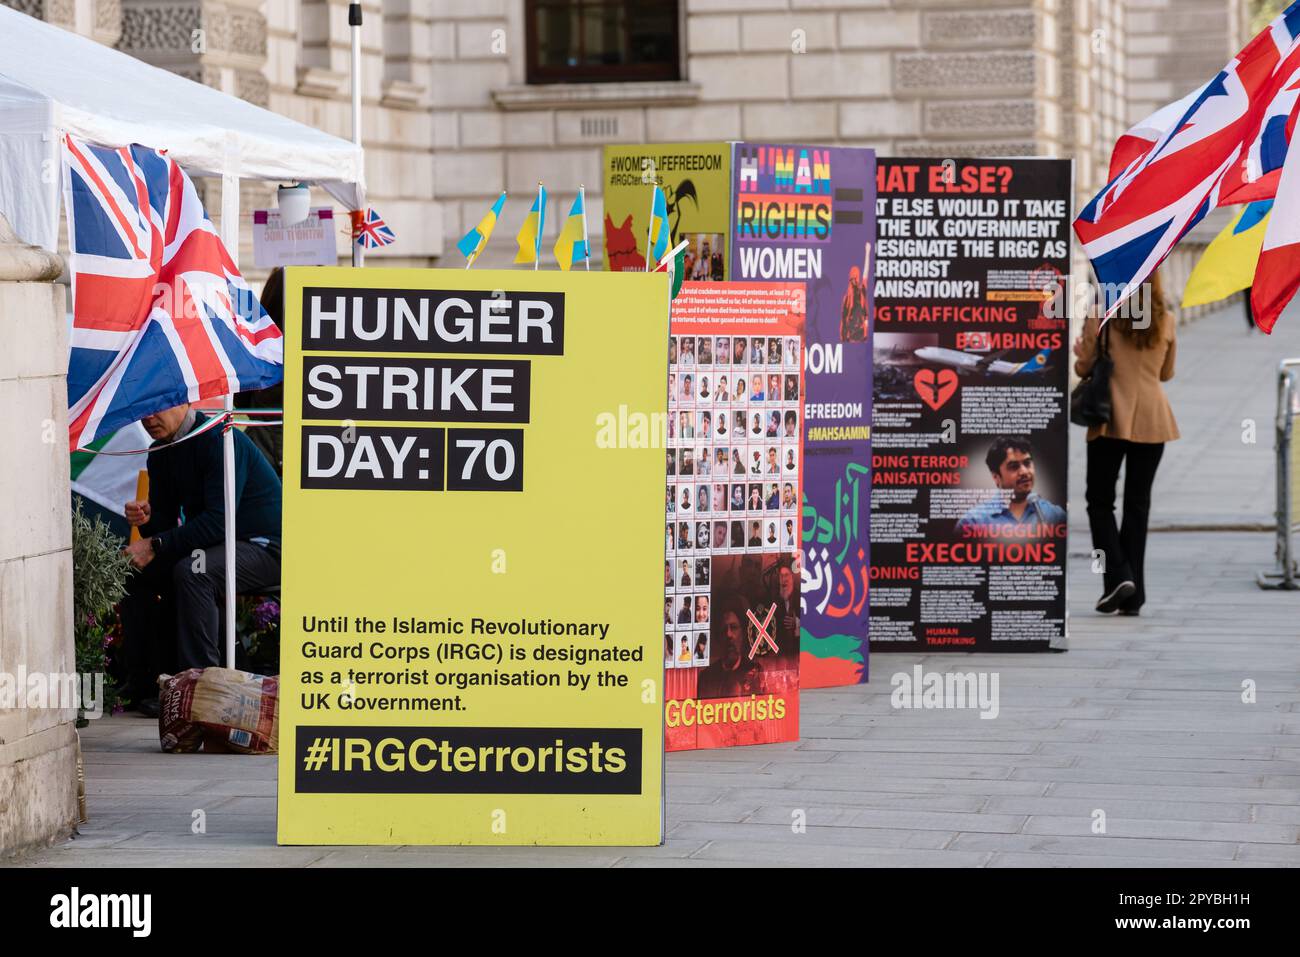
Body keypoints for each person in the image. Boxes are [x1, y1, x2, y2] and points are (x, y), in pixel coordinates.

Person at [120, 402, 282, 715]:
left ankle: (200, 689)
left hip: (266, 546)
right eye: (142, 411)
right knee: (134, 573)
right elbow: (169, 524)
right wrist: (149, 521)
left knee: (194, 571)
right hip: (217, 545)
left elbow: (220, 521)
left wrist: (156, 542)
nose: (149, 418)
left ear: (184, 401)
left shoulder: (218, 438)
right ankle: (146, 682)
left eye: (157, 408)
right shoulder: (160, 451)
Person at [1073, 274, 1179, 615]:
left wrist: (1081, 352)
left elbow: (1083, 366)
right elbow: (1165, 373)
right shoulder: (1166, 319)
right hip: (1154, 419)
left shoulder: (1102, 314)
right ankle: (1133, 596)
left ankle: (1117, 575)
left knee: (1099, 502)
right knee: (1138, 506)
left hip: (1109, 420)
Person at [956, 436, 1066, 536]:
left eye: (1027, 463)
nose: (1024, 471)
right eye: (1014, 467)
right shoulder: (973, 521)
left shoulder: (1054, 515)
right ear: (996, 477)